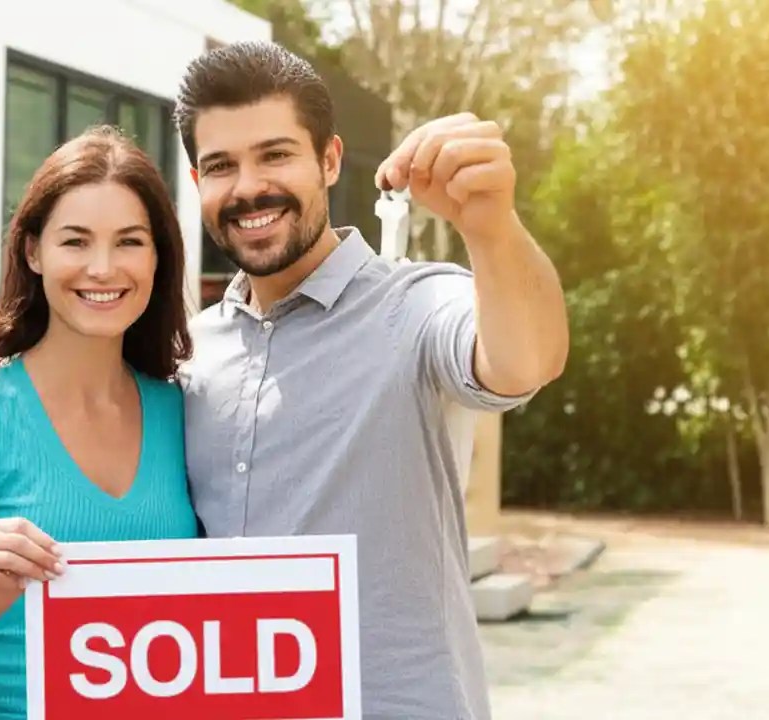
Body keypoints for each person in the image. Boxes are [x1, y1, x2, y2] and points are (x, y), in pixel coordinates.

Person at [173, 41, 570, 720]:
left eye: (274, 155)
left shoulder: (413, 305)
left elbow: (524, 361)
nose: (248, 188)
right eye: (221, 166)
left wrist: (492, 228)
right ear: (196, 181)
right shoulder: (189, 351)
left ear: (329, 160)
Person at [0, 125, 199, 720]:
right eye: (75, 242)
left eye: (130, 242)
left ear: (158, 257)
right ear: (33, 252)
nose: (104, 268)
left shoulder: (183, 411)